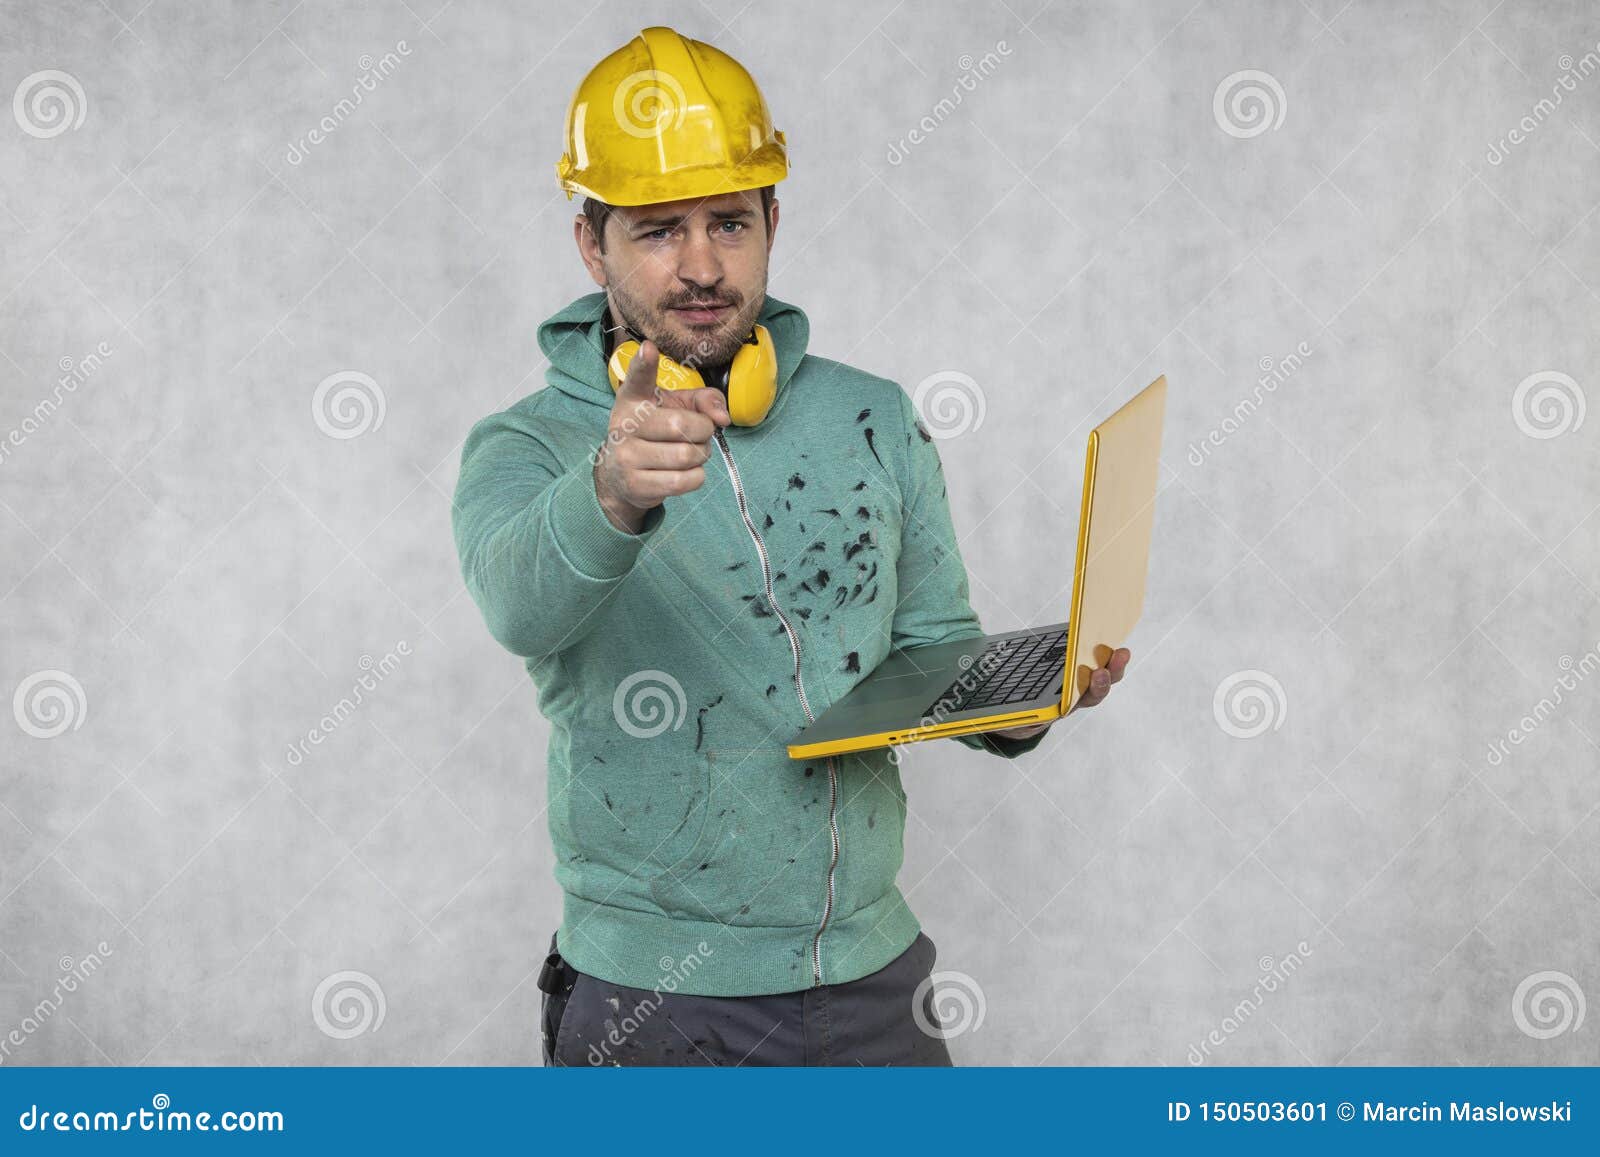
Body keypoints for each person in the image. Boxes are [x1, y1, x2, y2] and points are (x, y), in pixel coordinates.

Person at [450, 25, 1130, 1067]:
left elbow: (931, 648)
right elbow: (518, 605)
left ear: (773, 219)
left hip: (875, 982)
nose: (702, 266)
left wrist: (1034, 691)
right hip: (655, 1003)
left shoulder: (873, 416)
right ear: (592, 246)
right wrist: (611, 490)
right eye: (658, 230)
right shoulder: (526, 445)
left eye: (730, 221)